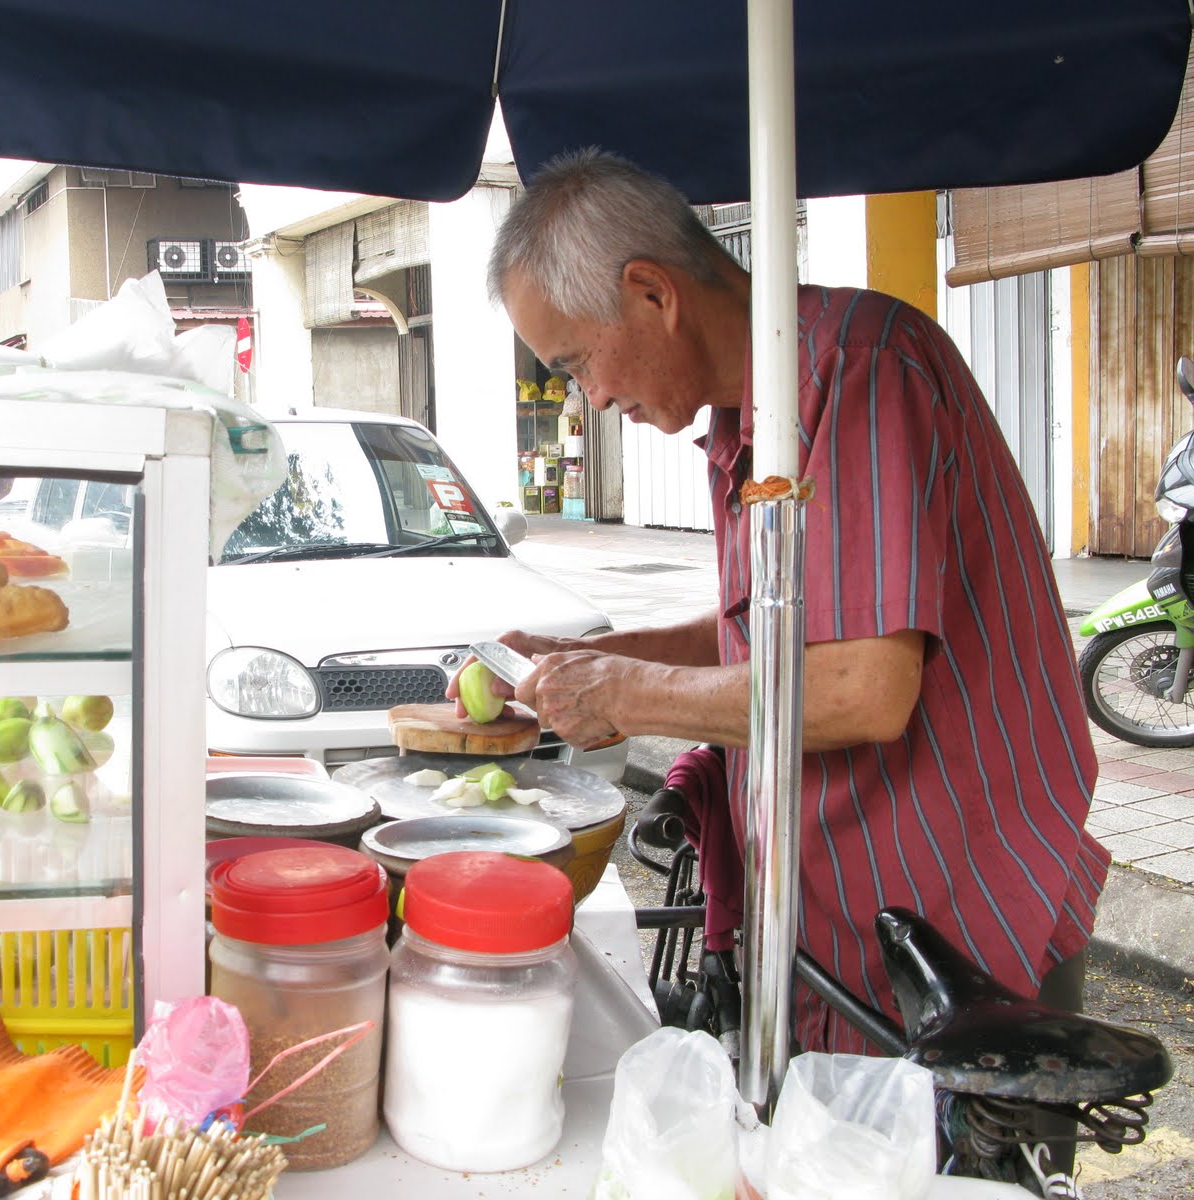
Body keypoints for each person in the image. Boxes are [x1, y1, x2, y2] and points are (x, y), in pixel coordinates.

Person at [456, 147, 1103, 1062]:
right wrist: (577, 662)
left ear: (652, 293)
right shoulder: (743, 427)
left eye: (573, 363)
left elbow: (859, 688)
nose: (589, 398)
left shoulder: (863, 369)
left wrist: (625, 693)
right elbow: (762, 639)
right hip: (835, 929)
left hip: (961, 931)